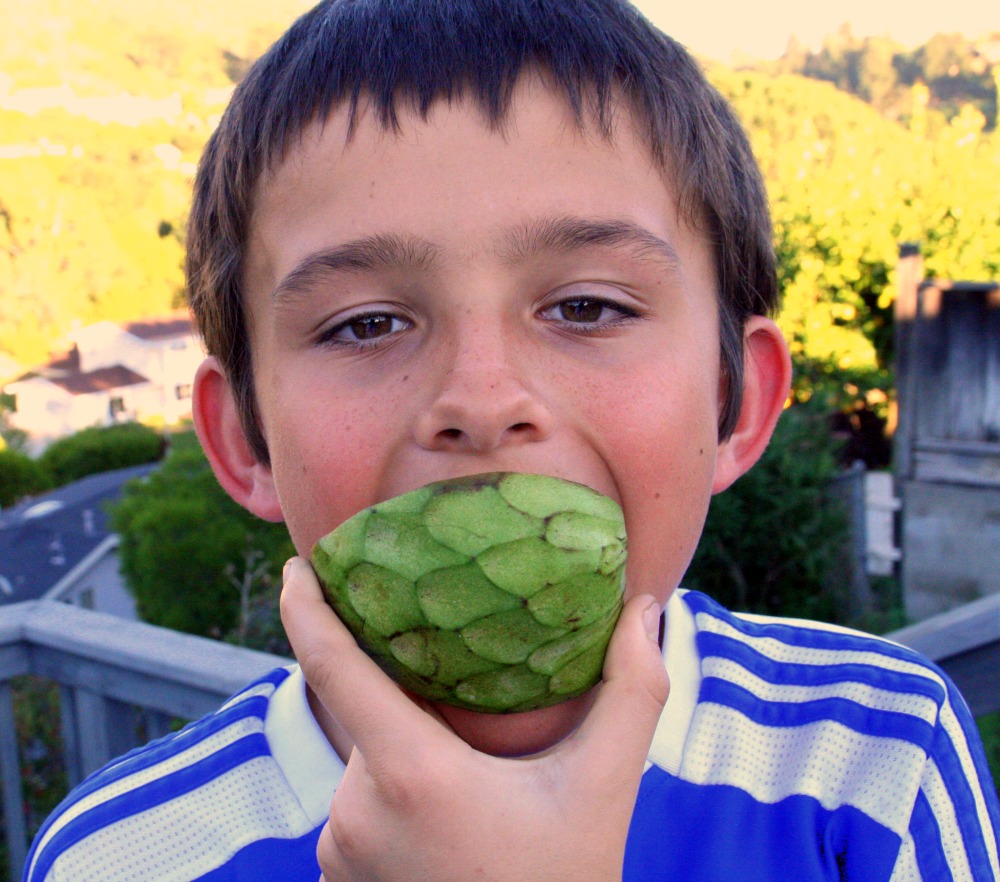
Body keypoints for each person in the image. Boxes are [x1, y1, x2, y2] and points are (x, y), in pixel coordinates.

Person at [24, 0, 999, 879]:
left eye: (586, 305)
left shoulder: (876, 760)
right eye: (366, 323)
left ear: (733, 403)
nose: (481, 399)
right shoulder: (122, 857)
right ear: (244, 441)